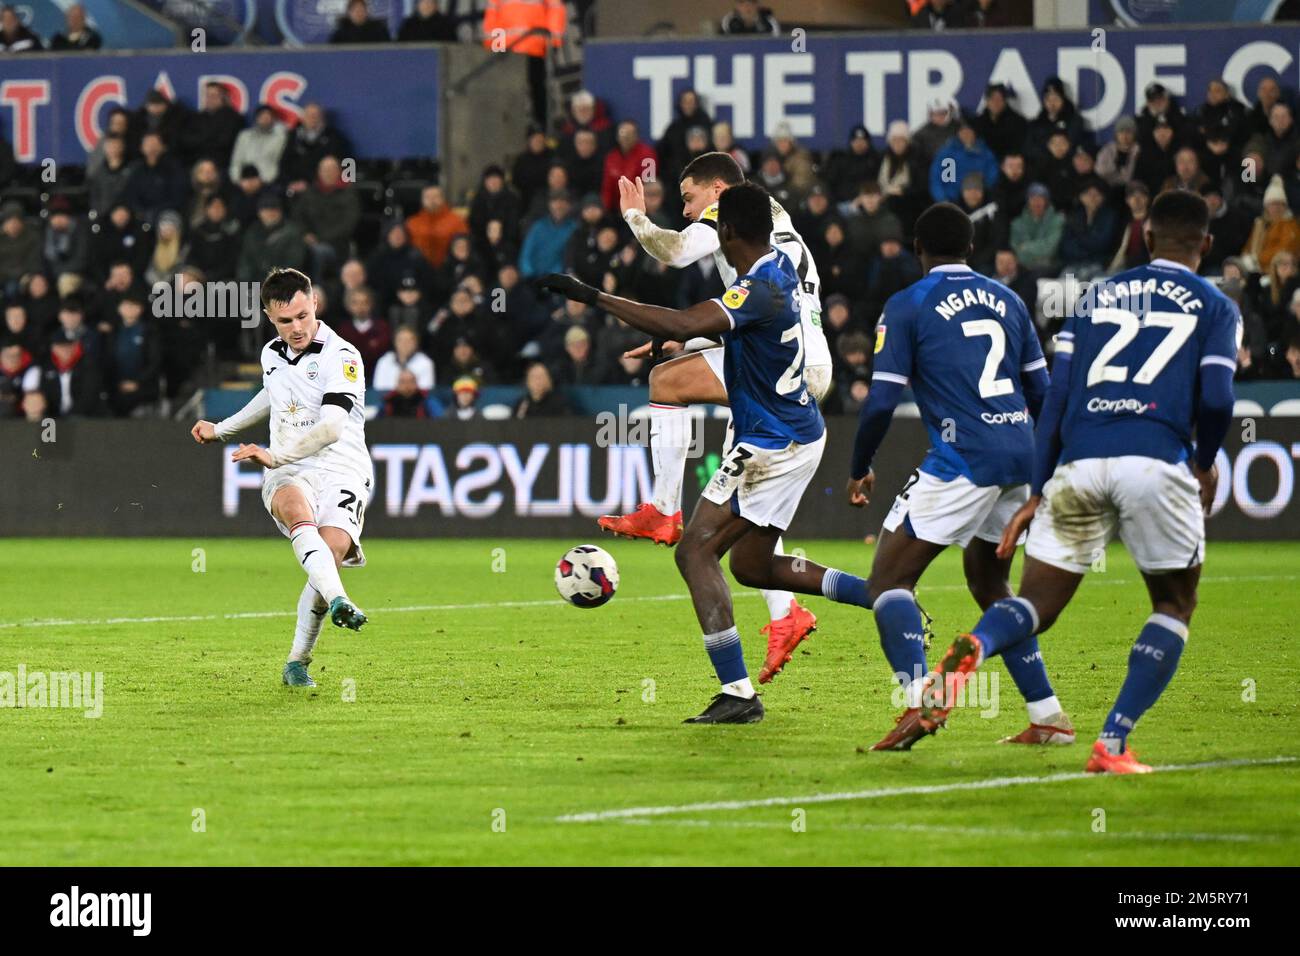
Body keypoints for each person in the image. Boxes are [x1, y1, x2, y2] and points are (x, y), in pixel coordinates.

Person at [889, 190, 1238, 773]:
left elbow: (1051, 407)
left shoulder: (1097, 296)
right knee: (1174, 601)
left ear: (1146, 239)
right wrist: (1203, 460)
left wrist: (1039, 489)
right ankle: (1113, 742)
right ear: (1205, 243)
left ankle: (978, 642)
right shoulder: (1215, 303)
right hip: (1155, 459)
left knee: (1034, 604)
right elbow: (1220, 395)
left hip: (1078, 461)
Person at [539, 183, 875, 724]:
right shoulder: (774, 269)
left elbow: (683, 319)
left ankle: (738, 694)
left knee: (694, 552)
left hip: (771, 442)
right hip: (797, 432)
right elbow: (729, 331)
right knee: (753, 566)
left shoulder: (760, 284)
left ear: (726, 231)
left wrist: (593, 297)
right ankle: (881, 596)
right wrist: (688, 344)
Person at [843, 202, 1068, 751]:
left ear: (919, 249)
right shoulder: (1010, 300)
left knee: (888, 583)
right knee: (988, 581)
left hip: (964, 458)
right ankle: (1049, 717)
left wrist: (860, 466)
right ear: (971, 249)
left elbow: (879, 403)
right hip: (1022, 452)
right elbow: (1044, 393)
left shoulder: (908, 304)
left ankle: (923, 697)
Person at [608, 152, 832, 680]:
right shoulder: (775, 217)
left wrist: (636, 219)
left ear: (716, 189)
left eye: (688, 198)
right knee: (749, 505)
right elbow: (759, 313)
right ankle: (787, 616)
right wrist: (679, 337)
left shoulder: (727, 214)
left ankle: (663, 508)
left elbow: (678, 252)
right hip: (801, 357)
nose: (687, 211)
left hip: (784, 365)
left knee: (666, 382)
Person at [190, 268, 372, 687]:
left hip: (342, 468)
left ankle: (297, 660)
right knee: (293, 508)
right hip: (290, 470)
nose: (296, 328)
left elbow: (330, 428)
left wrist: (273, 455)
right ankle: (341, 599)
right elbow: (270, 396)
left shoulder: (342, 357)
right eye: (285, 321)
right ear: (270, 317)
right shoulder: (272, 353)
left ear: (315, 305)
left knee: (331, 553)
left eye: (303, 316)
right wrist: (222, 429)